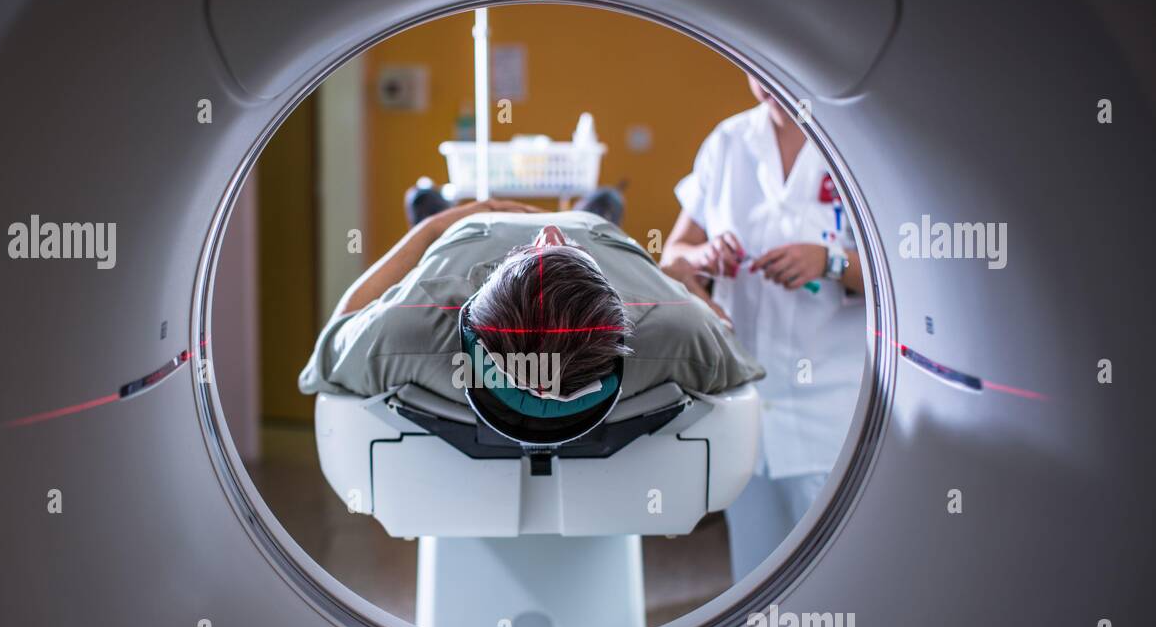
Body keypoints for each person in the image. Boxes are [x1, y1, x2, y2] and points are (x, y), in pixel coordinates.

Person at [299, 197, 763, 439]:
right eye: (560, 247)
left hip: (471, 232)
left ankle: (431, 207)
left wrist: (432, 230)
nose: (547, 231)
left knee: (434, 208)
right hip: (596, 231)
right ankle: (598, 210)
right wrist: (684, 279)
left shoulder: (407, 325)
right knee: (598, 209)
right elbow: (731, 348)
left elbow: (334, 336)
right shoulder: (678, 327)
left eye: (537, 248)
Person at [660, 74, 867, 580]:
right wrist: (703, 259)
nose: (770, 81)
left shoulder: (858, 142)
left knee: (836, 581)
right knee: (754, 582)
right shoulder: (728, 142)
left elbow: (905, 274)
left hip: (832, 408)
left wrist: (829, 262)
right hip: (746, 404)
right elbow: (672, 256)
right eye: (758, 69)